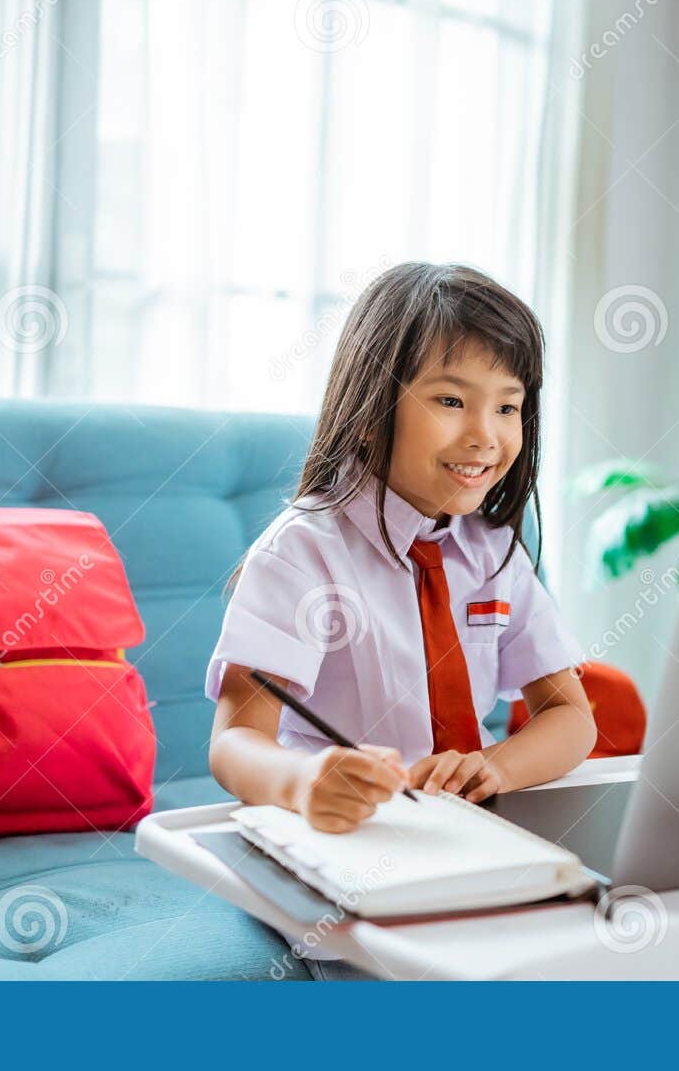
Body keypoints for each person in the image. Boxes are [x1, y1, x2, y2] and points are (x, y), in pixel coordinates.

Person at [206, 261, 595, 838]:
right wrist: (302, 781)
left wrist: (493, 767)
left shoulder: (495, 553)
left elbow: (571, 718)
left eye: (507, 407)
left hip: (467, 834)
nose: (485, 436)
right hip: (343, 833)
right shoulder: (303, 551)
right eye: (451, 401)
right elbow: (234, 743)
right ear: (370, 412)